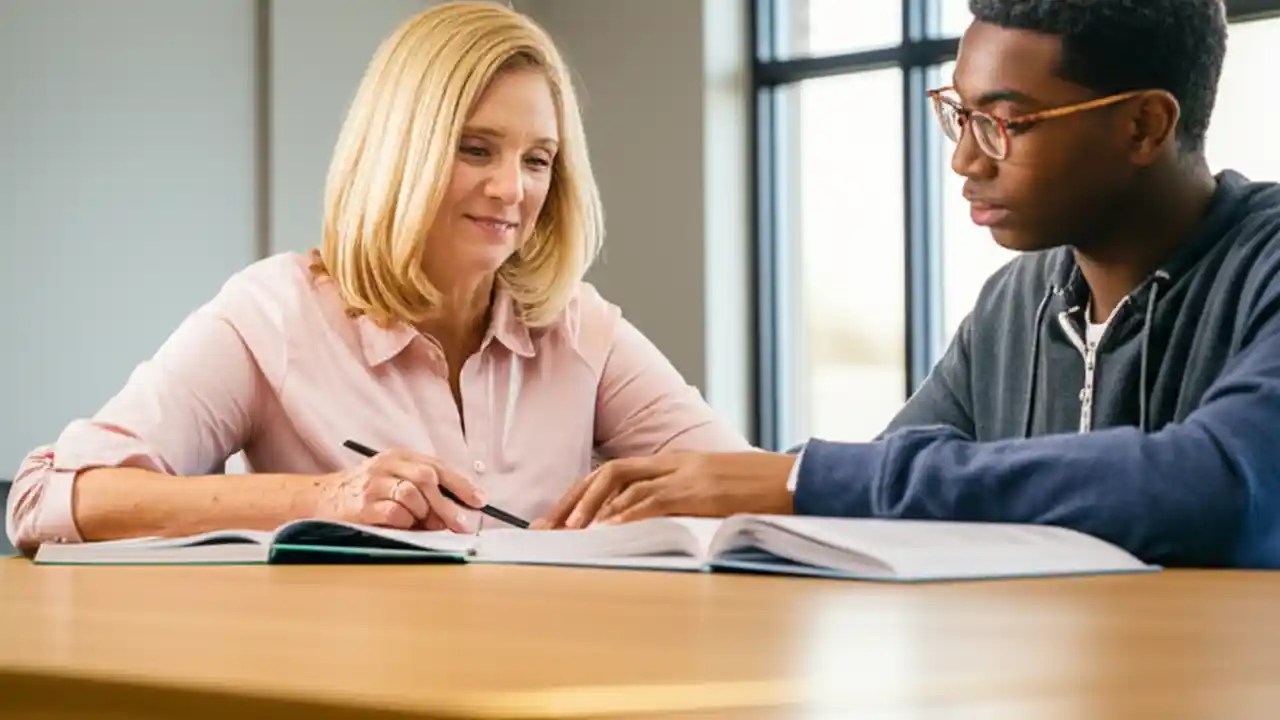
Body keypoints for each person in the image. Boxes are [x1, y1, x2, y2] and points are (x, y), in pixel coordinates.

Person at [538, 0, 1280, 569]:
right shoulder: (1016, 303)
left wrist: (801, 479)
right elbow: (881, 501)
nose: (964, 159)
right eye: (959, 114)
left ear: (1144, 126)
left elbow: (1224, 487)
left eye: (1004, 123)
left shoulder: (1264, 263)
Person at [5, 1, 749, 555]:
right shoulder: (274, 317)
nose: (512, 190)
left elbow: (748, 495)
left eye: (536, 159)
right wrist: (327, 497)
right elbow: (45, 500)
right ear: (402, 152)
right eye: (476, 150)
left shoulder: (581, 331)